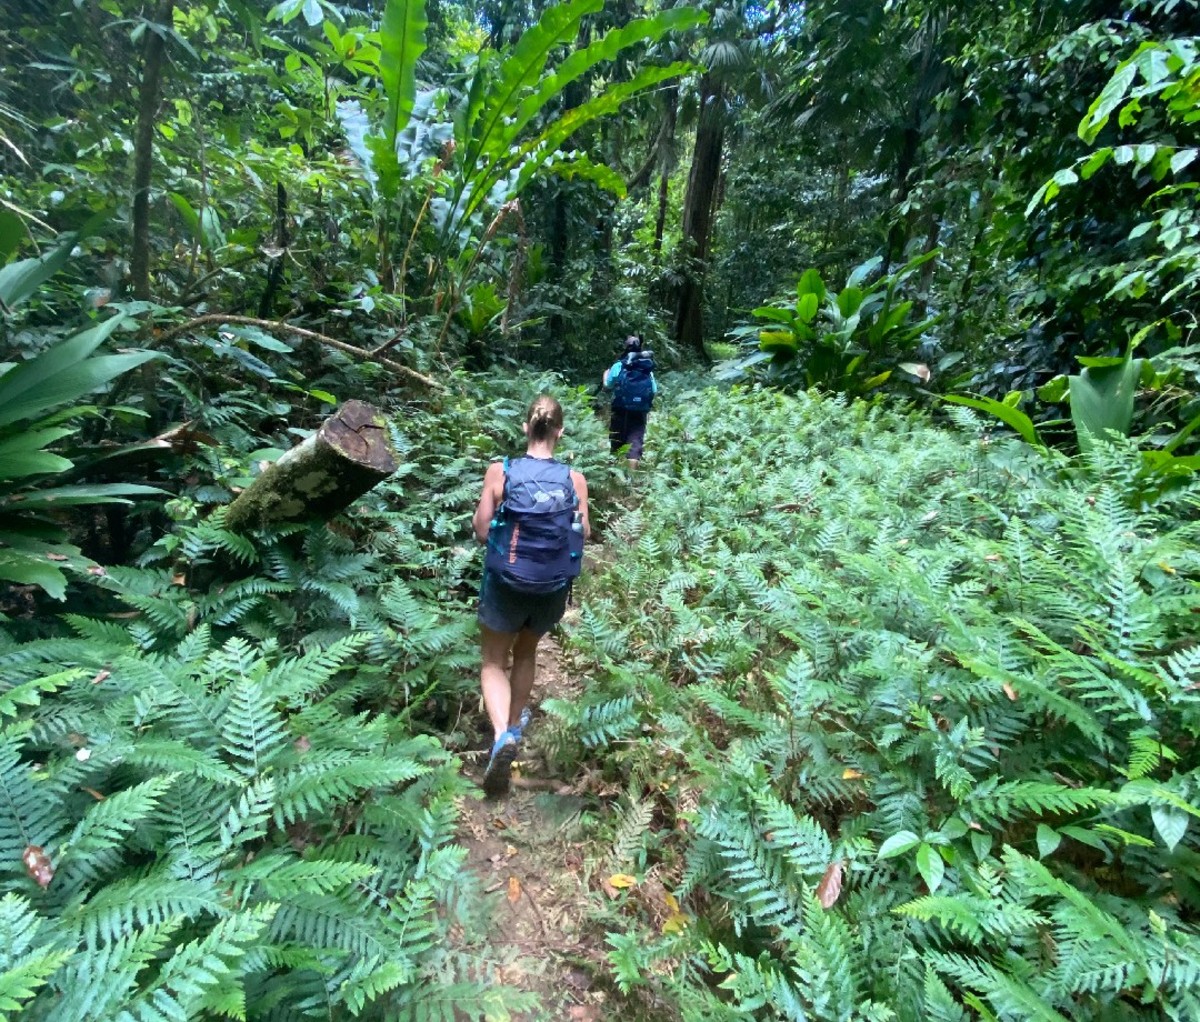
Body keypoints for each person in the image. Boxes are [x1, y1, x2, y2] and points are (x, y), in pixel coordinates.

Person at [471, 395, 591, 796]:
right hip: (550, 588)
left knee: (492, 661)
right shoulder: (575, 480)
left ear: (526, 427)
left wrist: (509, 553)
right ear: (559, 431)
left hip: (506, 582)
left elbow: (483, 527)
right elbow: (583, 534)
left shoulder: (499, 472)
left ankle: (502, 735)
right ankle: (515, 725)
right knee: (525, 653)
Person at [603, 335, 658, 469]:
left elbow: (608, 385)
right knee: (635, 439)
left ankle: (614, 473)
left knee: (616, 438)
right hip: (640, 410)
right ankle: (631, 480)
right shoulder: (646, 366)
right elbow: (654, 390)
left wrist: (605, 375)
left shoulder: (619, 365)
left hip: (620, 408)